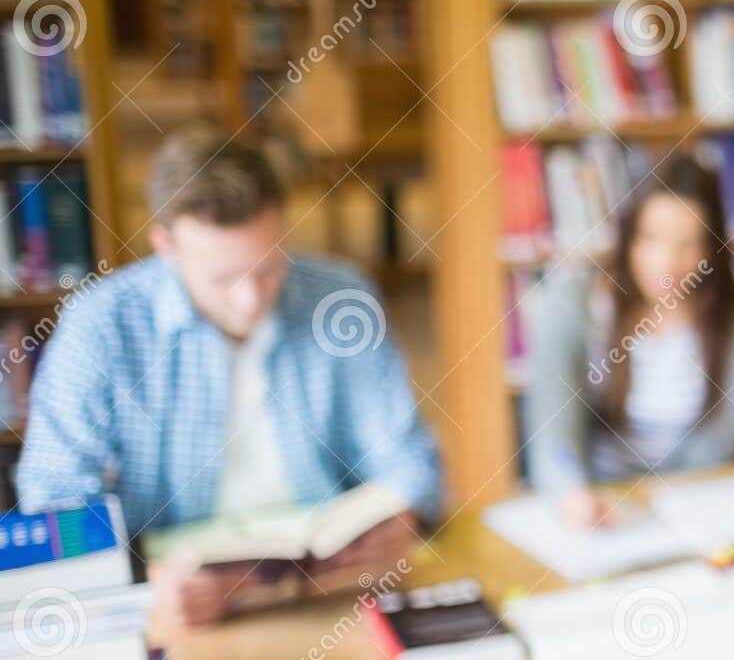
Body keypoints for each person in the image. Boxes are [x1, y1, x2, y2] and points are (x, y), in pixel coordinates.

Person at [18, 127, 442, 627]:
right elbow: (54, 498)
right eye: (223, 279)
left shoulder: (340, 297)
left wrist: (404, 517)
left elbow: (409, 459)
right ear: (165, 246)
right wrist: (146, 582)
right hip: (186, 614)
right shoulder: (100, 324)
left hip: (337, 596)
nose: (250, 300)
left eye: (267, 269)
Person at [525, 153, 734, 527]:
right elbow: (553, 432)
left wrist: (656, 511)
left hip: (686, 510)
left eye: (687, 244)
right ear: (628, 236)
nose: (666, 262)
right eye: (651, 238)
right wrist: (572, 492)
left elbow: (715, 454)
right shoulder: (574, 308)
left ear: (712, 251)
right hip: (589, 507)